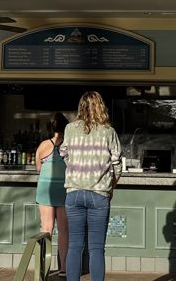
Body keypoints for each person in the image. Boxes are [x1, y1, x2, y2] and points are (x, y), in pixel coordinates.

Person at [59, 91, 122, 281]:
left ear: (81, 108)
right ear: (101, 107)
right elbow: (117, 163)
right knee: (96, 248)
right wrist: (111, 184)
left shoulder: (70, 129)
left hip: (74, 192)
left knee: (75, 246)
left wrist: (75, 167)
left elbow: (63, 153)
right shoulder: (108, 131)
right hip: (99, 193)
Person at [35, 112, 69, 277]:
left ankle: (43, 268)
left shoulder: (42, 146)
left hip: (45, 191)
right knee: (64, 231)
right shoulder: (69, 146)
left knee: (46, 229)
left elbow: (38, 169)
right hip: (63, 190)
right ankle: (64, 268)